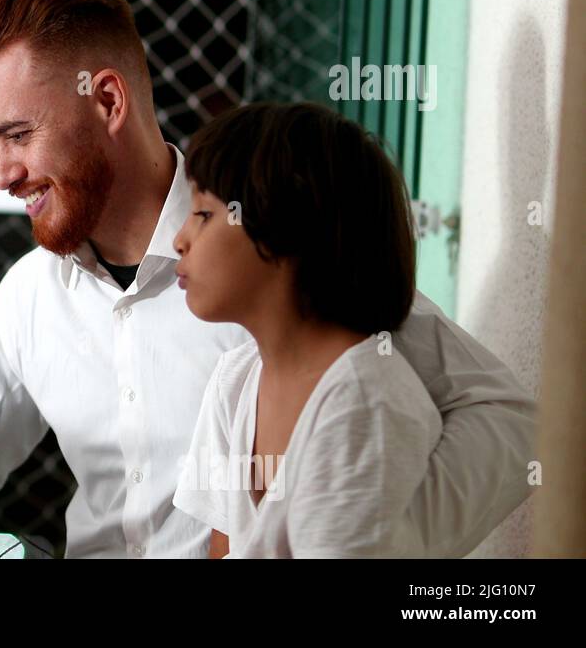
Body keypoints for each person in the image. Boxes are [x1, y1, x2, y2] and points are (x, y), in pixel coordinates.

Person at [0, 0, 536, 557]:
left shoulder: (269, 251)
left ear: (107, 103)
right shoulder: (30, 297)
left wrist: (393, 542)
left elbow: (504, 411)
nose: (2, 173)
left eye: (18, 135)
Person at [170, 102, 438, 557]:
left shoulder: (364, 403)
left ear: (284, 224)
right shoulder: (234, 383)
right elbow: (223, 547)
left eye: (205, 214)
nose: (180, 238)